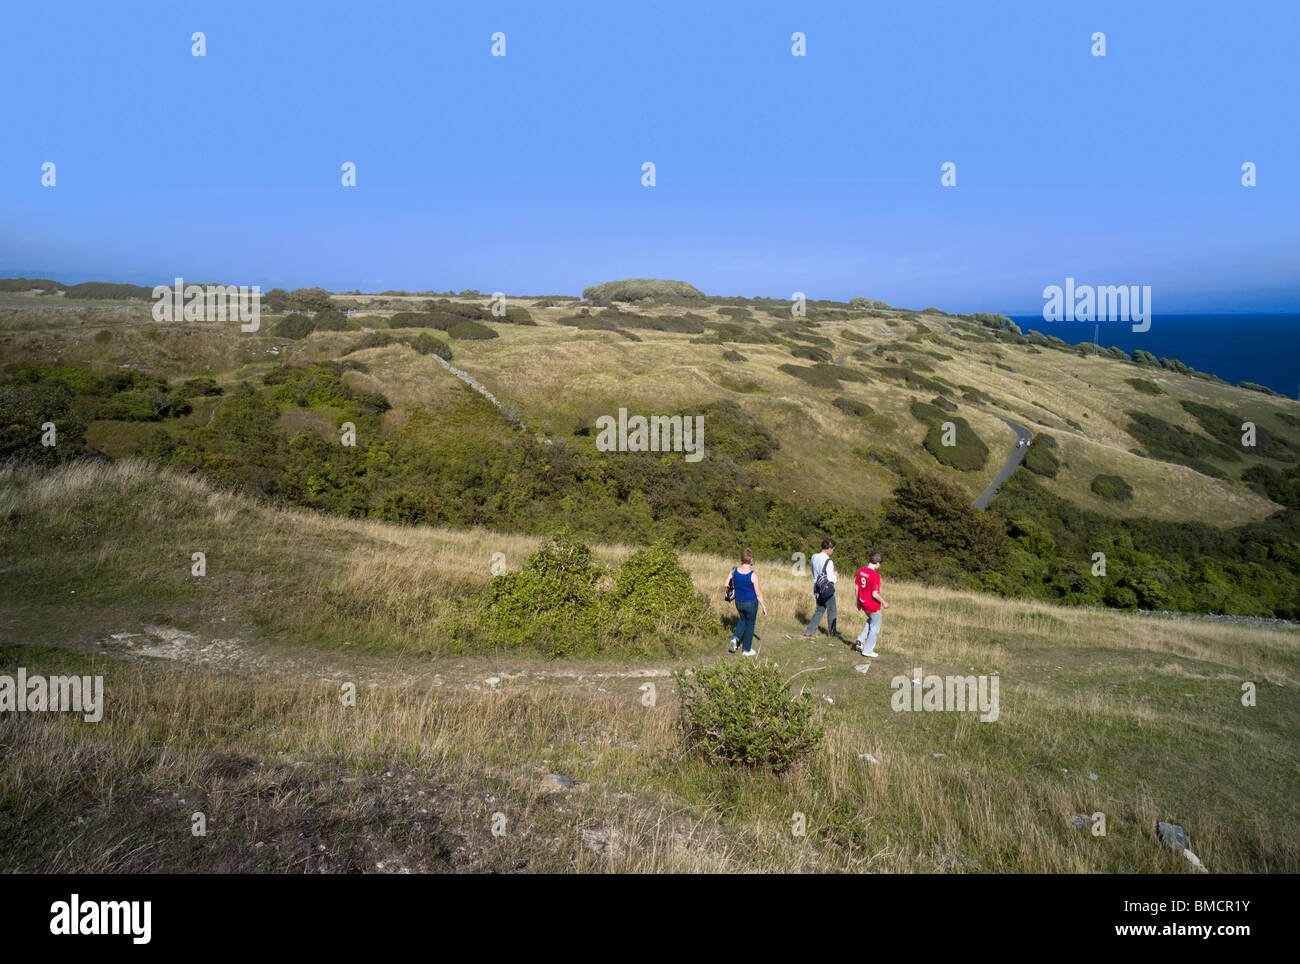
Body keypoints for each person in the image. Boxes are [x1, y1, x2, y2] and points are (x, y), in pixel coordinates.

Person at [725, 549, 767, 655]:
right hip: (751, 603)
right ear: (751, 559)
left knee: (743, 620)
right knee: (750, 624)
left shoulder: (734, 571)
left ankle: (735, 639)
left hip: (738, 601)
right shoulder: (753, 575)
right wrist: (763, 607)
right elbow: (758, 594)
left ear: (742, 559)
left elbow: (726, 584)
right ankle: (746, 650)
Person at [854, 551, 889, 657]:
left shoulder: (861, 570)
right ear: (878, 563)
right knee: (875, 627)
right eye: (880, 564)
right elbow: (875, 594)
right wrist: (884, 602)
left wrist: (858, 601)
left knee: (871, 621)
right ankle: (868, 650)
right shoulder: (875, 575)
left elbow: (856, 587)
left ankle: (860, 640)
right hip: (872, 605)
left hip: (863, 602)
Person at [803, 538, 838, 637]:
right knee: (832, 610)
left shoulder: (814, 557)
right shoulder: (828, 561)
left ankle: (810, 630)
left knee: (820, 609)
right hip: (826, 588)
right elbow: (831, 579)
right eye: (833, 549)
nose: (833, 551)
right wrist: (836, 576)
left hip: (817, 587)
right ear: (829, 548)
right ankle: (832, 633)